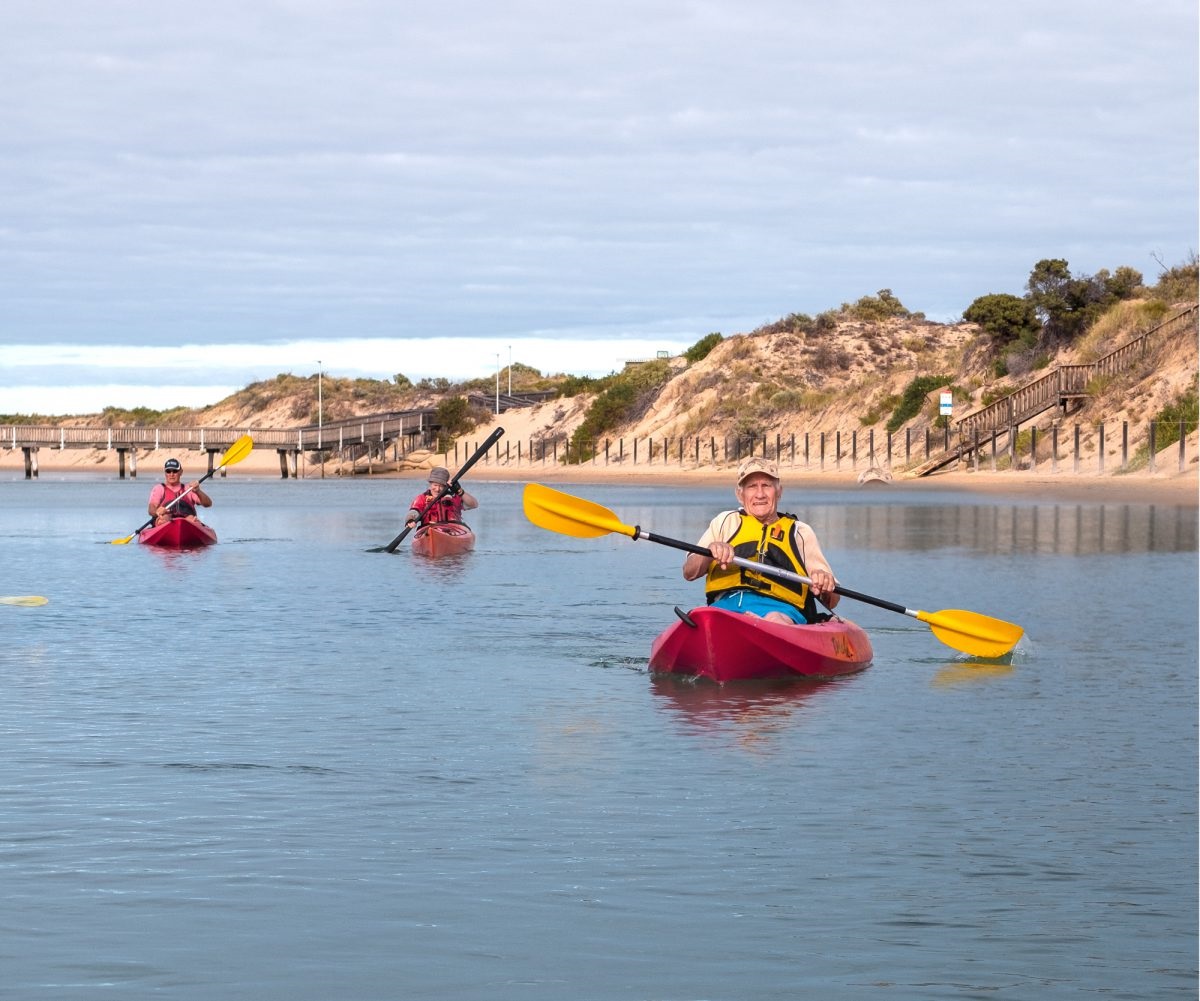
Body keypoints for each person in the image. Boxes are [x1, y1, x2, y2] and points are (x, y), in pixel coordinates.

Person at [682, 457, 839, 625]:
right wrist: (710, 551)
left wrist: (824, 582)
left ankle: (761, 627)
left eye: (766, 485)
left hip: (781, 610)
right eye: (751, 486)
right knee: (702, 615)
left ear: (779, 491)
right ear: (740, 494)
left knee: (775, 619)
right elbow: (689, 572)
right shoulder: (725, 522)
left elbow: (832, 600)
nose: (760, 494)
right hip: (726, 606)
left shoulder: (800, 532)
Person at [405, 466, 478, 527]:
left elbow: (474, 504)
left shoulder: (453, 497)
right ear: (430, 484)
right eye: (435, 485)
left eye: (441, 486)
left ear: (446, 486)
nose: (437, 489)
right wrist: (410, 520)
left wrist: (459, 490)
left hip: (453, 530)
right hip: (429, 529)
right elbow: (414, 511)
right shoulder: (422, 498)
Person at [147, 457, 212, 525]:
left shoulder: (189, 489)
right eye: (168, 471)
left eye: (175, 471)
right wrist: (157, 511)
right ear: (165, 473)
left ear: (181, 472)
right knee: (164, 518)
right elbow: (151, 509)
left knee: (191, 518)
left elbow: (208, 504)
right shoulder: (159, 488)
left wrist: (198, 491)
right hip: (166, 519)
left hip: (187, 520)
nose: (171, 474)